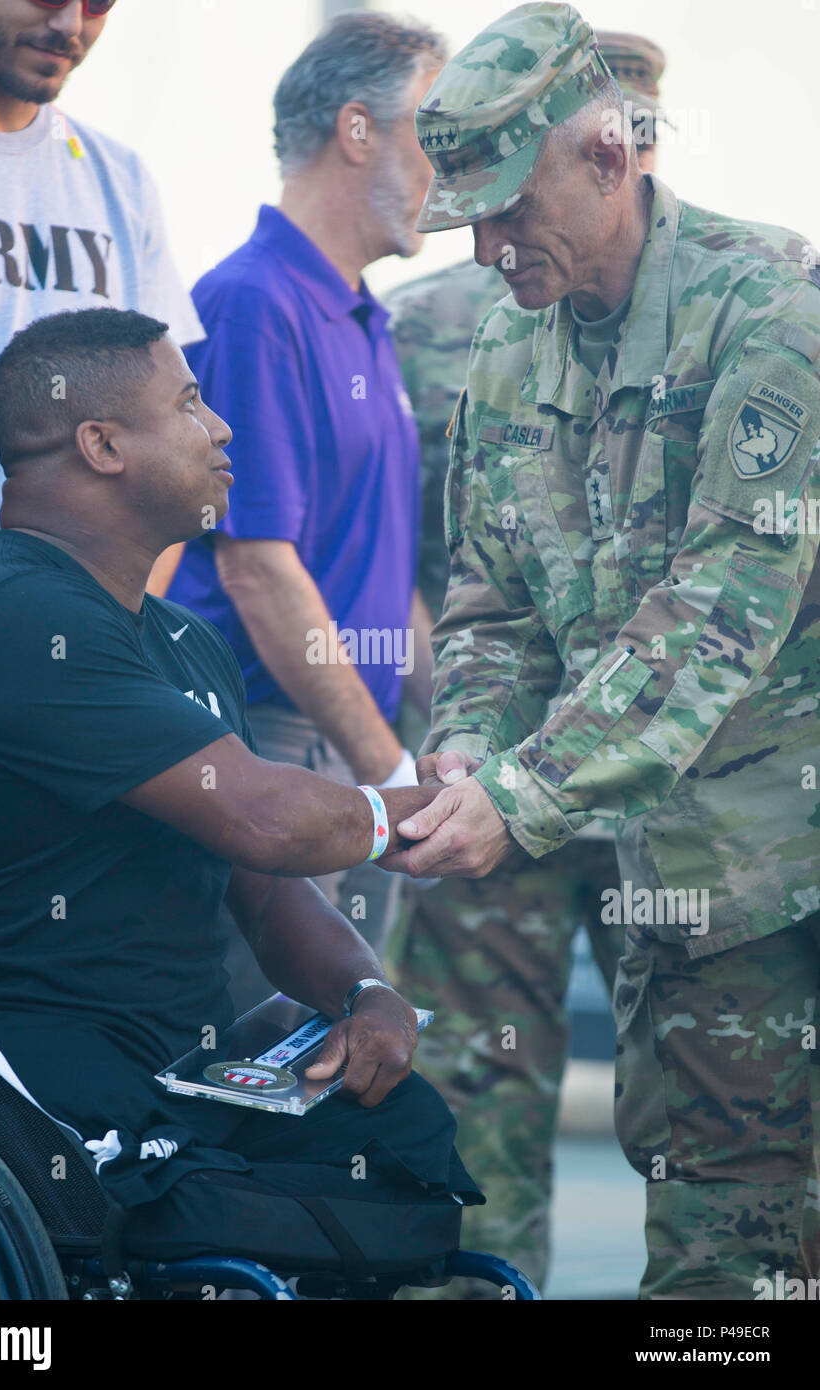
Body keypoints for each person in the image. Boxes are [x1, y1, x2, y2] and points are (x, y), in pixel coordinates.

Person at [383, 2, 820, 1300]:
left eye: (512, 208)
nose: (490, 247)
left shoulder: (772, 310)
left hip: (767, 863)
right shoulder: (510, 347)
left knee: (742, 1234)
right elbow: (494, 605)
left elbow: (724, 604)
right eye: (466, 216)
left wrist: (515, 793)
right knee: (592, 1165)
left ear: (608, 158)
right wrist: (465, 743)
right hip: (623, 827)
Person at [0, 307, 481, 1259]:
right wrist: (438, 810)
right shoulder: (7, 614)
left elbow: (266, 893)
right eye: (191, 403)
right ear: (101, 444)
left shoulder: (184, 640)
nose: (220, 429)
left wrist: (364, 993)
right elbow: (266, 821)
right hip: (14, 1074)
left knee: (408, 1153)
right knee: (234, 1223)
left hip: (172, 1069)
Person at [384, 30, 667, 1293]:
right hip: (506, 779)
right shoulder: (455, 323)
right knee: (484, 1089)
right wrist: (455, 740)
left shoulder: (759, 305)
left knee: (710, 1103)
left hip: (667, 795)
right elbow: (429, 564)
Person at [152, 13, 447, 997]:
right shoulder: (252, 300)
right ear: (356, 130)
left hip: (351, 740)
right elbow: (257, 567)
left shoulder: (365, 315)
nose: (446, 172)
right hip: (275, 741)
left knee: (334, 1057)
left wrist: (440, 743)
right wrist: (388, 763)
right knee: (264, 1050)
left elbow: (378, 567)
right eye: (432, 135)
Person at [0, 0, 201, 635]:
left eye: (98, 5)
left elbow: (171, 426)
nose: (71, 24)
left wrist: (116, 638)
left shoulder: (120, 178)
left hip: (76, 663)